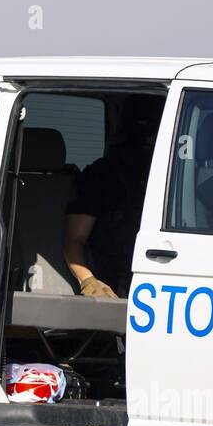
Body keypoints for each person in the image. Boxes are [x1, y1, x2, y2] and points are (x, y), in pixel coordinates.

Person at [64, 95, 164, 299]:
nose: (151, 140)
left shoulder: (176, 174)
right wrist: (89, 281)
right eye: (146, 130)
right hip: (114, 282)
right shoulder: (102, 175)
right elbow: (74, 240)